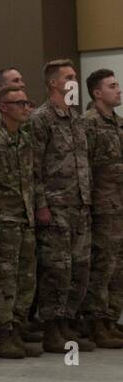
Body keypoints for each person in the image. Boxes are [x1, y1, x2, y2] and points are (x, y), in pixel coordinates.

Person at [28, 60, 96, 354]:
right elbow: (33, 167)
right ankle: (51, 327)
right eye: (69, 77)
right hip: (55, 207)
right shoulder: (41, 119)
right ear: (54, 84)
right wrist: (41, 205)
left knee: (79, 269)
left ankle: (67, 322)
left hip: (80, 206)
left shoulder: (77, 119)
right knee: (57, 270)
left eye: (75, 77)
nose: (74, 82)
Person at [0, 85, 41, 359]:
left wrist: (37, 211)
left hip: (24, 218)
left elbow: (33, 179)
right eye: (20, 103)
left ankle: (17, 326)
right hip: (3, 219)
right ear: (4, 107)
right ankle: (2, 332)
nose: (26, 108)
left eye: (28, 103)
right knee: (3, 279)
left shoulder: (25, 139)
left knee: (25, 278)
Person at [83, 69, 123, 347]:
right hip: (102, 207)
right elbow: (84, 167)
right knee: (103, 266)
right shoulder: (89, 124)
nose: (118, 90)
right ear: (97, 93)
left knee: (119, 267)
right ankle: (96, 323)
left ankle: (111, 319)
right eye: (112, 86)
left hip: (119, 206)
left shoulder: (118, 124)